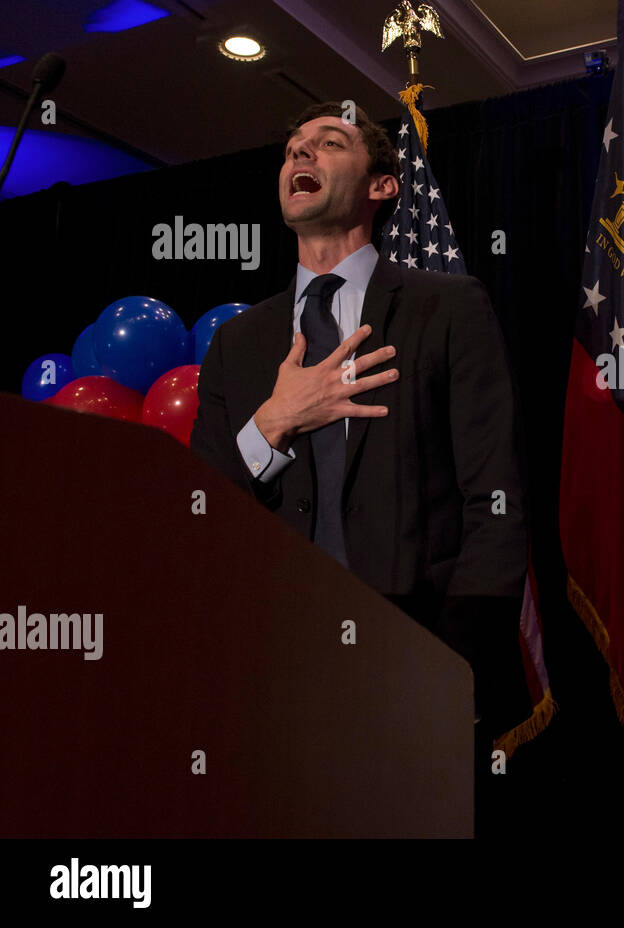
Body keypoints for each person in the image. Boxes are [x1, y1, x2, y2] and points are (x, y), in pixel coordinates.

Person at [189, 102, 528, 832]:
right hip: (278, 681)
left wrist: (451, 671)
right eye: (290, 148)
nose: (299, 156)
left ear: (382, 186)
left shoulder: (448, 309)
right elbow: (200, 512)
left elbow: (494, 501)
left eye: (327, 143)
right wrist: (276, 420)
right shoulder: (239, 346)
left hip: (416, 663)